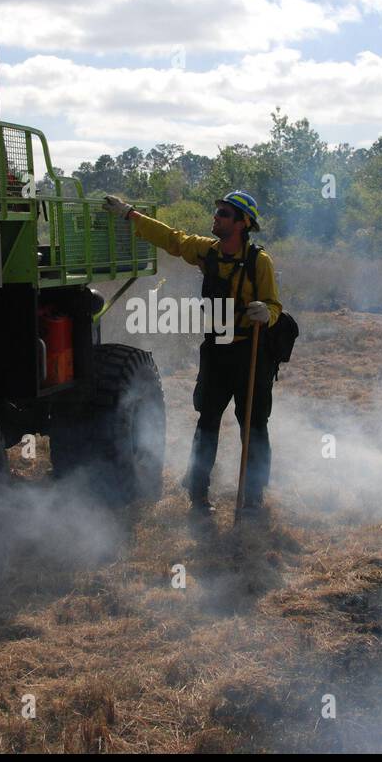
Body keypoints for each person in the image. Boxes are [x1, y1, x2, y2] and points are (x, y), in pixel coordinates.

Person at [103, 191, 281, 518]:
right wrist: (130, 214)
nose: (216, 217)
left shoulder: (260, 262)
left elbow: (274, 306)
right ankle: (198, 493)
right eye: (218, 211)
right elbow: (172, 239)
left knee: (253, 425)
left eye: (224, 213)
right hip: (216, 350)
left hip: (250, 351)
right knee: (207, 421)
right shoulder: (206, 250)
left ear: (242, 223)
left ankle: (253, 496)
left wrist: (265, 313)